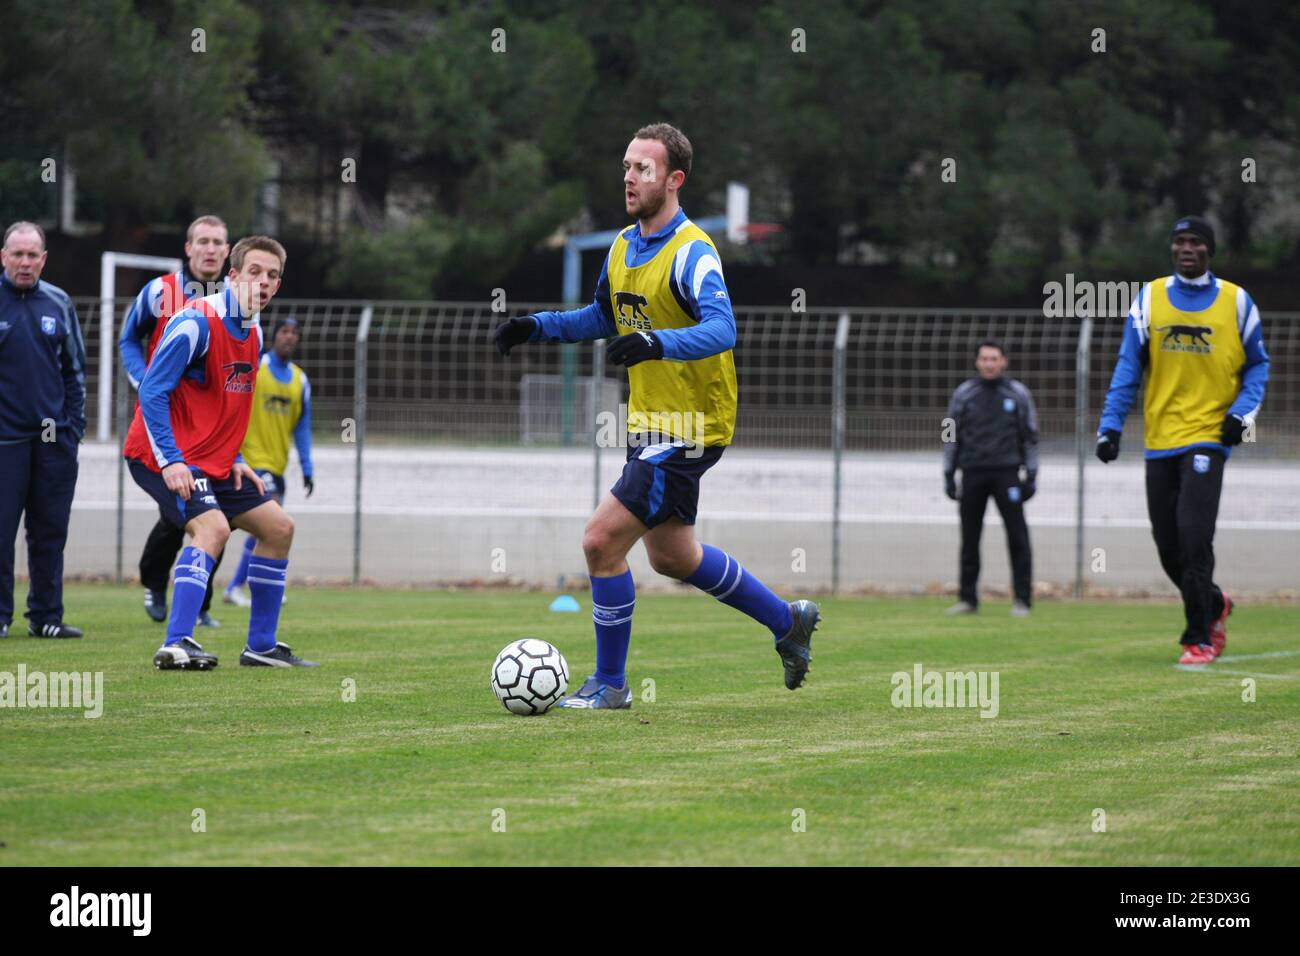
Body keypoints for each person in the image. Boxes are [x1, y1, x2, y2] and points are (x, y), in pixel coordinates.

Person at [494, 122, 819, 709]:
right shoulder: (622, 246)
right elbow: (602, 317)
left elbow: (724, 329)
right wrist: (536, 326)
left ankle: (610, 686)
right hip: (647, 423)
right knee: (673, 556)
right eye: (626, 166)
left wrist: (657, 343)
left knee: (599, 541)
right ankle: (787, 621)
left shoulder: (693, 251)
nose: (629, 176)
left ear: (674, 180)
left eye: (643, 168)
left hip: (692, 426)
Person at [123, 235, 316, 669]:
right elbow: (152, 392)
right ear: (232, 276)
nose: (262, 282)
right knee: (213, 528)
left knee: (279, 528)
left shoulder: (254, 330)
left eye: (271, 276)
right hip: (157, 454)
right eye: (254, 272)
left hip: (213, 461)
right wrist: (171, 461)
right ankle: (176, 644)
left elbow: (231, 404)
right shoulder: (196, 323)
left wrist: (236, 458)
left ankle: (260, 647)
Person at [1098, 215, 1269, 665]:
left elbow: (1257, 366)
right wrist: (1110, 426)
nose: (1187, 248)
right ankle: (1214, 603)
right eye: (1180, 242)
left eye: (1195, 242)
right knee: (1168, 545)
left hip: (1209, 438)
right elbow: (1128, 367)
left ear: (1209, 250)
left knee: (1195, 537)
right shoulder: (1150, 298)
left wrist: (1241, 415)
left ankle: (1199, 637)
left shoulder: (1237, 302)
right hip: (1161, 439)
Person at [119, 215, 230, 628]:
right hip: (164, 431)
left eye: (219, 242)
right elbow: (129, 337)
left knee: (218, 519)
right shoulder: (161, 293)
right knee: (182, 517)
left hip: (208, 436)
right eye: (203, 241)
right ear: (188, 248)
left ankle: (198, 603)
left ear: (227, 251)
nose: (211, 249)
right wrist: (141, 377)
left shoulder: (234, 303)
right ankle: (154, 582)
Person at [0, 221, 86, 639]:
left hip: (53, 440)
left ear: (44, 259)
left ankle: (46, 617)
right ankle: (0, 617)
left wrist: (72, 430)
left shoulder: (59, 302)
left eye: (33, 255)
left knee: (49, 531)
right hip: (5, 442)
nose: (25, 262)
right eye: (18, 254)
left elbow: (74, 371)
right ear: (4, 256)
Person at [942, 340, 1039, 617]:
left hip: (1007, 473)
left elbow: (1030, 436)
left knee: (1017, 536)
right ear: (977, 362)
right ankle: (967, 599)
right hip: (972, 473)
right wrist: (949, 473)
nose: (989, 363)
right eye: (984, 359)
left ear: (1004, 361)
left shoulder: (1017, 394)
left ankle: (1022, 599)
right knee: (970, 538)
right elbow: (950, 434)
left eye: (994, 359)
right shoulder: (964, 394)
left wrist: (1031, 475)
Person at [223, 315, 314, 607]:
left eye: (294, 333)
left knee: (270, 529)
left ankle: (256, 585)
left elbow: (302, 426)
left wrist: (308, 467)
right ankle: (240, 586)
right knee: (271, 526)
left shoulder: (300, 380)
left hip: (277, 464)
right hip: (251, 462)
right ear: (274, 336)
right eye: (284, 331)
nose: (289, 337)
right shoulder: (256, 368)